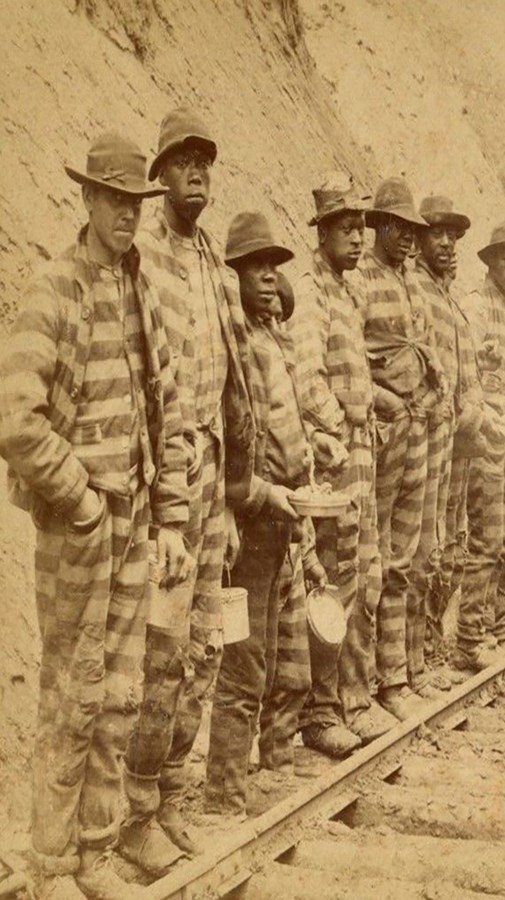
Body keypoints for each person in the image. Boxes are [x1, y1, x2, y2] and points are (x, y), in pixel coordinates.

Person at [0, 131, 192, 900]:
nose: (128, 216)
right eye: (114, 200)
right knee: (72, 694)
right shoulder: (55, 288)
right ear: (86, 199)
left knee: (120, 693)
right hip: (81, 531)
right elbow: (16, 417)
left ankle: (94, 853)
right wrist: (79, 500)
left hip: (136, 525)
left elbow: (168, 408)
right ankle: (50, 866)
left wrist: (170, 517)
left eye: (136, 203)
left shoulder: (139, 286)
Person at [122, 107, 251, 875]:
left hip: (209, 482)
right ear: (161, 175)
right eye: (184, 162)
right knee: (160, 647)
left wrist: (231, 496)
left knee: (203, 644)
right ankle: (135, 810)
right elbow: (148, 386)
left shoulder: (208, 258)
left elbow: (232, 389)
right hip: (164, 487)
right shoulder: (144, 256)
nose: (197, 173)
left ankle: (171, 796)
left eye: (206, 161)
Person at [203, 213, 310, 816]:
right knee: (241, 660)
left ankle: (239, 782)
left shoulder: (271, 336)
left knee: (265, 654)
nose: (268, 278)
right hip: (247, 524)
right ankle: (222, 795)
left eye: (274, 268)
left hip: (279, 520)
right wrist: (272, 495)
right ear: (235, 275)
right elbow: (234, 460)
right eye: (255, 268)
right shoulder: (234, 342)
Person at [292, 174, 393, 756]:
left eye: (361, 228)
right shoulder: (310, 290)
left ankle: (355, 696)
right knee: (332, 577)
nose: (357, 238)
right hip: (333, 454)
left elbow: (356, 373)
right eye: (346, 228)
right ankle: (321, 711)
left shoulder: (346, 290)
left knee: (365, 572)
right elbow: (308, 380)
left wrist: (368, 418)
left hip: (361, 448)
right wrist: (339, 428)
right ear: (324, 232)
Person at [358, 177, 443, 718]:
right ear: (381, 227)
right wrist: (385, 399)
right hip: (384, 436)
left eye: (414, 230)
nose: (410, 239)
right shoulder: (361, 280)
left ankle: (397, 674)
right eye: (401, 228)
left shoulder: (413, 281)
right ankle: (369, 684)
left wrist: (433, 394)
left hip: (419, 432)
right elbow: (353, 357)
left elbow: (426, 348)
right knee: (376, 558)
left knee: (406, 558)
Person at [409, 196, 494, 677]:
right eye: (437, 234)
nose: (447, 243)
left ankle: (438, 647)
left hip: (460, 443)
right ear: (420, 239)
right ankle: (418, 655)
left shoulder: (450, 300)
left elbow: (469, 368)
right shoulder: (418, 293)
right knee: (427, 549)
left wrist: (475, 402)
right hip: (431, 440)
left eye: (453, 236)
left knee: (453, 545)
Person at [456, 222, 505, 669]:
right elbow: (468, 373)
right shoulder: (478, 304)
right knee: (486, 541)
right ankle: (470, 637)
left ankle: (498, 623)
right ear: (490, 261)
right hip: (487, 436)